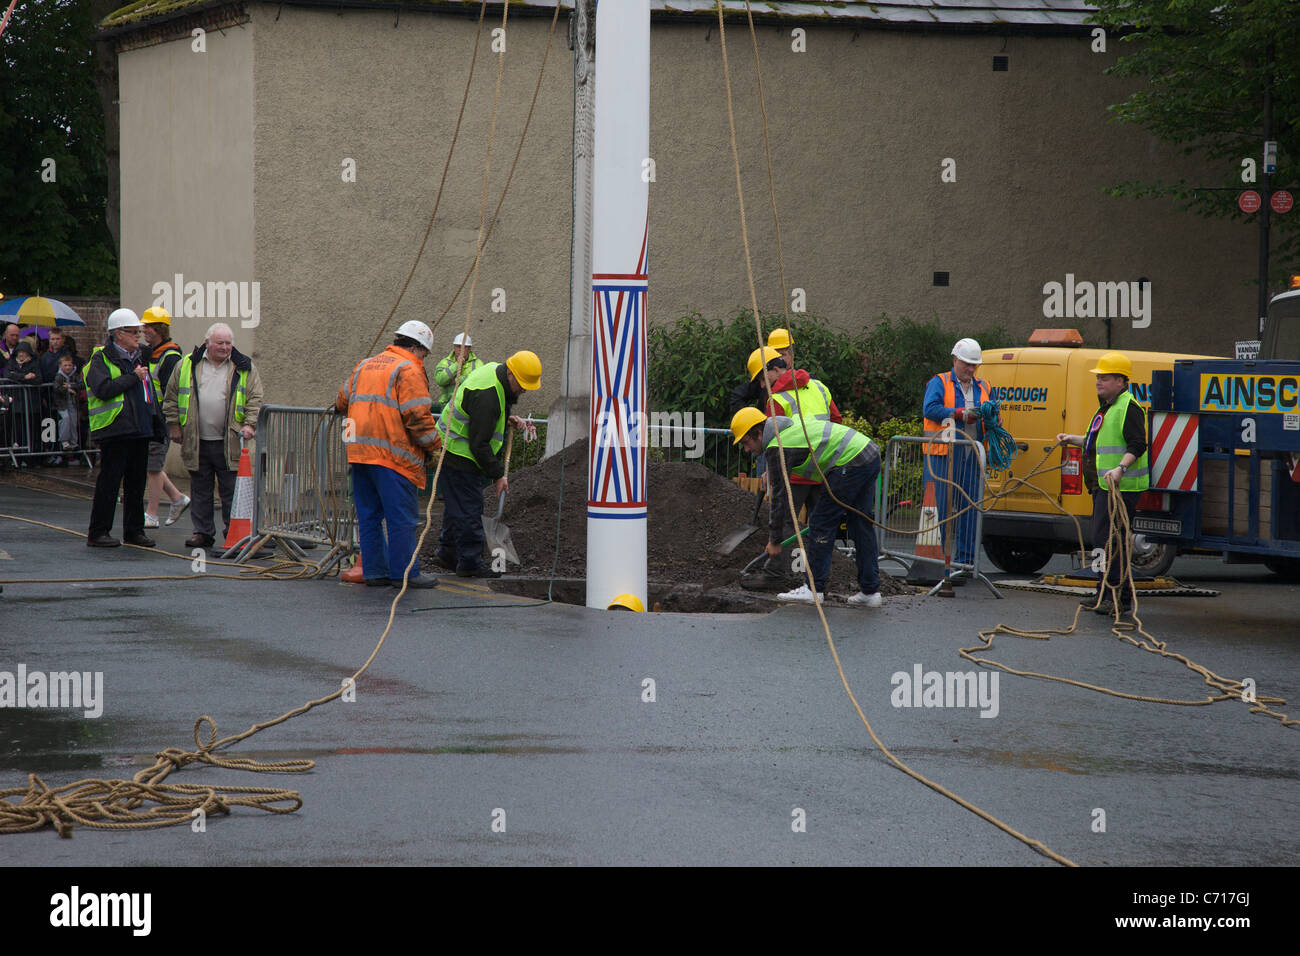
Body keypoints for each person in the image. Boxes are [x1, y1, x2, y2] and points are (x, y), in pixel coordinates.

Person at [731, 407, 882, 607]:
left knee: (821, 522)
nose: (747, 449)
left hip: (850, 461)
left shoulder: (778, 445)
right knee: (860, 523)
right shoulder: (787, 431)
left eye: (746, 442)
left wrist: (775, 540)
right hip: (868, 454)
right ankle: (870, 592)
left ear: (758, 433)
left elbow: (780, 498)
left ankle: (814, 589)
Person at [335, 320, 443, 588]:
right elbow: (418, 415)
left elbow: (341, 400)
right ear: (418, 348)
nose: (424, 360)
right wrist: (434, 446)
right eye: (425, 354)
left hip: (360, 453)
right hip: (393, 458)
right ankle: (405, 575)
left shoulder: (365, 365)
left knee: (369, 516)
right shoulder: (408, 370)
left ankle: (376, 573)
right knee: (401, 519)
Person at [1056, 351, 1148, 616]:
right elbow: (1096, 442)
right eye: (1098, 377)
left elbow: (1138, 445)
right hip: (1102, 488)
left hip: (1120, 488)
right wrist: (1071, 439)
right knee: (1103, 541)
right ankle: (1106, 593)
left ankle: (1112, 595)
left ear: (1121, 381)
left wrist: (1121, 468)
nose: (1098, 382)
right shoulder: (1106, 408)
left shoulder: (1128, 407)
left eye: (1104, 378)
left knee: (1108, 541)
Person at [434, 350, 541, 577]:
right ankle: (469, 563)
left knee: (457, 507)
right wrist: (498, 475)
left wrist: (505, 418)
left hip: (453, 449)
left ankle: (448, 553)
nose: (523, 390)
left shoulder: (494, 372)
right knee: (470, 509)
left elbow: (488, 415)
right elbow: (479, 444)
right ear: (511, 374)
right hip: (458, 453)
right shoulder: (488, 396)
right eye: (522, 384)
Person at [163, 322, 264, 550]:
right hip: (196, 439)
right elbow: (170, 397)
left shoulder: (244, 366)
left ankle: (234, 534)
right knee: (200, 489)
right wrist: (174, 426)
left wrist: (249, 424)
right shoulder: (187, 364)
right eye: (220, 343)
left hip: (229, 440)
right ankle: (202, 533)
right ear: (208, 342)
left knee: (231, 490)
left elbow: (255, 398)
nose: (225, 347)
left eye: (229, 343)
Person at [84, 309, 164, 548]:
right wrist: (132, 376)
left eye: (138, 331)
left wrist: (156, 423)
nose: (138, 335)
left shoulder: (139, 356)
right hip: (114, 430)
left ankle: (134, 531)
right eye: (133, 332)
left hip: (139, 428)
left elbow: (150, 395)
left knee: (136, 484)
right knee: (109, 483)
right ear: (118, 334)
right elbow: (103, 389)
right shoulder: (100, 359)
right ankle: (98, 532)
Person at [922, 337, 994, 570]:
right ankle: (936, 565)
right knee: (938, 509)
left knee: (969, 509)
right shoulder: (939, 382)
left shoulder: (984, 386)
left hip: (971, 455)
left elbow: (992, 410)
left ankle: (965, 564)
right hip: (942, 454)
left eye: (974, 365)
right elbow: (930, 409)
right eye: (966, 364)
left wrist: (994, 418)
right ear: (955, 360)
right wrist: (959, 414)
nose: (971, 369)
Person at [140, 307, 189, 528]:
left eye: (147, 326)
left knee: (153, 467)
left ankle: (151, 514)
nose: (143, 331)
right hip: (152, 418)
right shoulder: (155, 352)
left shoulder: (169, 357)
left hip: (160, 420)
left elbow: (172, 394)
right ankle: (177, 498)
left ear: (158, 328)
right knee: (153, 465)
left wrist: (173, 424)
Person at [51, 354, 86, 462]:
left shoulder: (74, 375)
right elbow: (56, 388)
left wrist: (70, 386)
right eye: (65, 365)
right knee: (65, 419)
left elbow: (81, 385)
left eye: (69, 365)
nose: (68, 367)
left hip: (73, 403)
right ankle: (64, 440)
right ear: (61, 366)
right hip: (62, 404)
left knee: (73, 421)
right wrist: (67, 389)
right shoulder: (59, 376)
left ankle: (73, 442)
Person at [433, 332, 481, 409]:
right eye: (458, 346)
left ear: (469, 349)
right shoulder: (445, 362)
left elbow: (480, 381)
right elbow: (440, 380)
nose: (461, 349)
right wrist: (457, 365)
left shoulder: (477, 363)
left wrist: (456, 381)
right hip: (447, 406)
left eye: (465, 347)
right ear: (454, 347)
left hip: (469, 406)